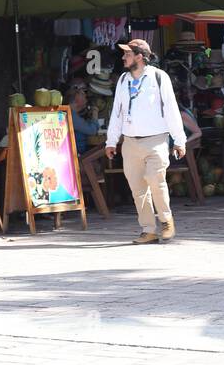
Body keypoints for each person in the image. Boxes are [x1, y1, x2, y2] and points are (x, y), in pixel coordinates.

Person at [105, 39, 187, 244]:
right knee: (137, 188)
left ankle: (166, 220)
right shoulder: (123, 80)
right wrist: (111, 141)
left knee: (155, 180)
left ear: (139, 57)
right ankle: (148, 229)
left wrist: (179, 140)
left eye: (127, 54)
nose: (123, 58)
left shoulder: (159, 77)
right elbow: (117, 113)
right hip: (130, 142)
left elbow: (171, 109)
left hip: (156, 140)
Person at [67, 83, 101, 147]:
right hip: (79, 154)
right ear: (77, 99)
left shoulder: (71, 113)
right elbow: (92, 130)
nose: (86, 100)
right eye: (84, 96)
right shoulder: (72, 116)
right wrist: (95, 113)